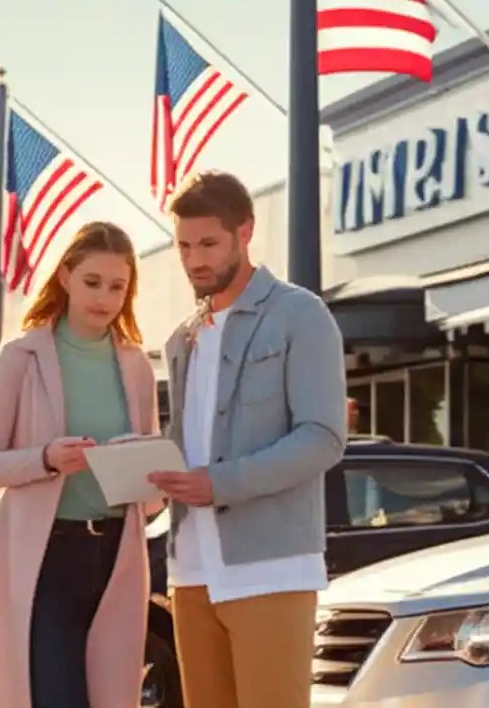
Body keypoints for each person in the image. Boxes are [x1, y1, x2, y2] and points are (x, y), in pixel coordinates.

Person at [148, 171, 348, 708]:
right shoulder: (182, 337)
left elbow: (324, 437)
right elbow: (186, 444)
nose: (195, 261)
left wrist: (219, 483)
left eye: (209, 244)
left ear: (245, 232)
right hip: (189, 572)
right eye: (184, 246)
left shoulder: (299, 314)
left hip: (271, 568)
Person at [0, 221, 162, 708]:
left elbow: (150, 495)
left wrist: (145, 468)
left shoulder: (136, 364)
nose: (104, 297)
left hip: (116, 560)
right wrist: (46, 458)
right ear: (64, 276)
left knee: (109, 697)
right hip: (43, 558)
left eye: (117, 286)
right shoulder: (19, 357)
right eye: (92, 282)